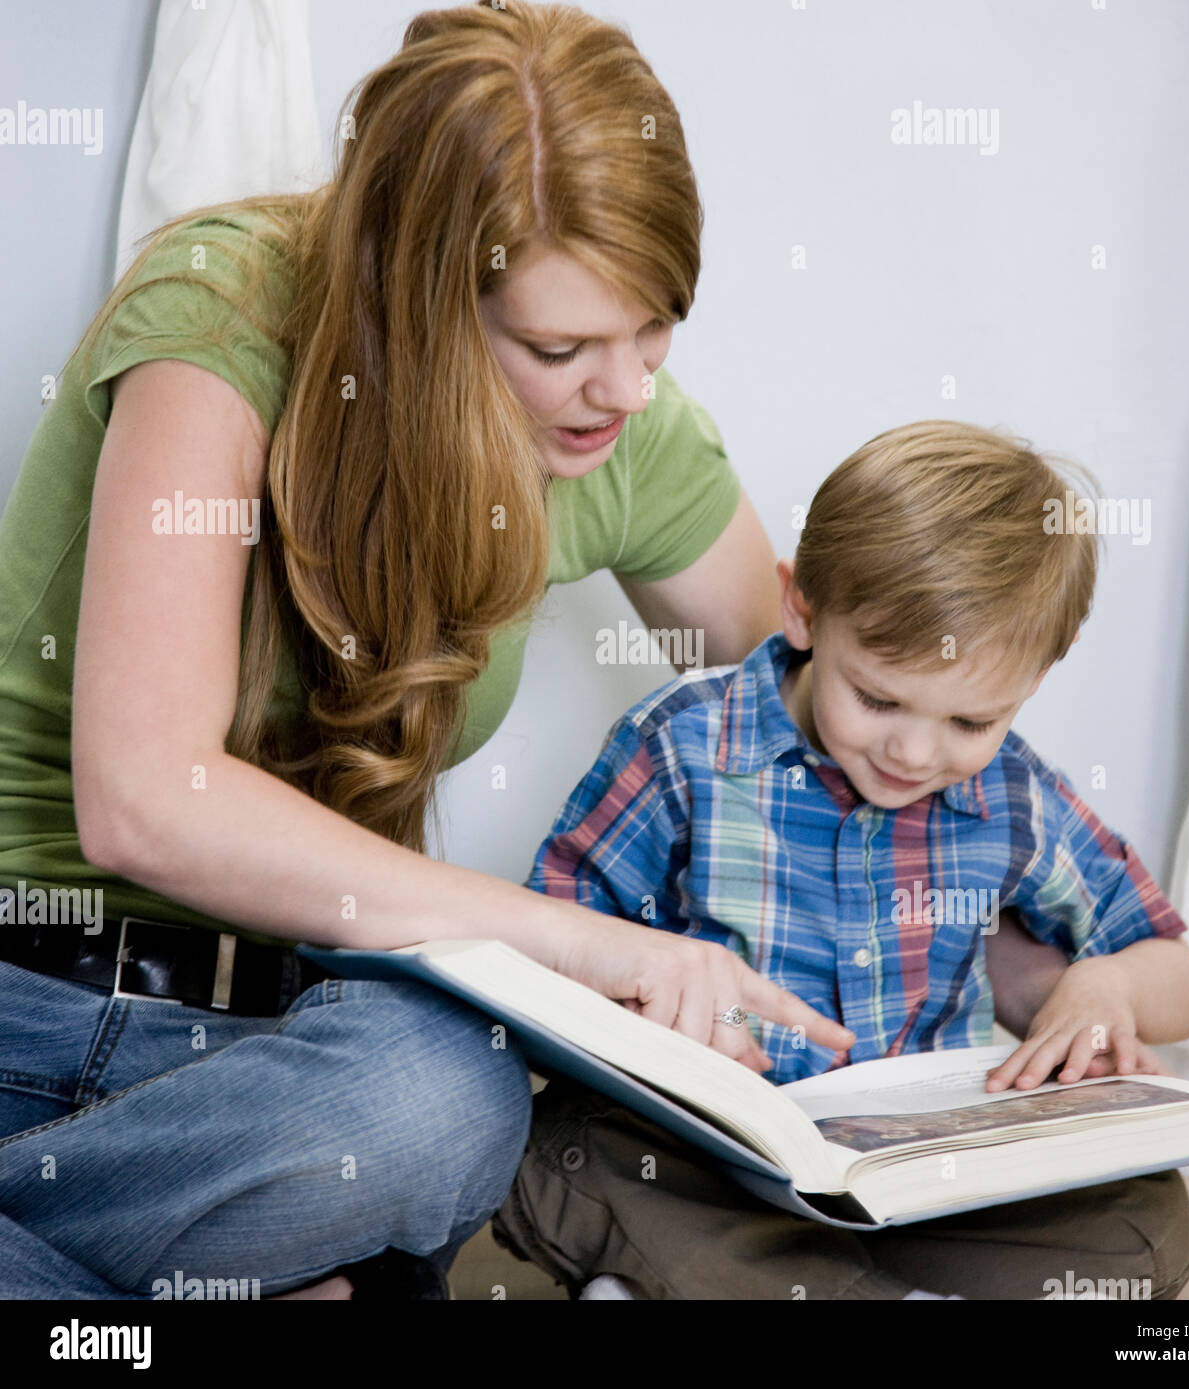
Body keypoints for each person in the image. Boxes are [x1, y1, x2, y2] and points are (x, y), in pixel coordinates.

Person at [0, 1, 866, 1300]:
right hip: (45, 986)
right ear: (418, 301)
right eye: (560, 347)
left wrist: (1053, 940)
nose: (625, 390)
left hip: (306, 1046)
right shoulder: (222, 318)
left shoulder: (621, 427)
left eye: (657, 327)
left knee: (448, 1095)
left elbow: (820, 716)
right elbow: (144, 803)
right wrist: (580, 945)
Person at [492, 419, 1189, 1299]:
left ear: (1034, 682)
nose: (914, 752)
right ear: (802, 608)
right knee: (564, 1153)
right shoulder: (685, 749)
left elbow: (1181, 973)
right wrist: (654, 1013)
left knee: (1147, 1223)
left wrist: (1109, 989)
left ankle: (742, 1284)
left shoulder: (1015, 798)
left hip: (918, 1181)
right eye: (878, 697)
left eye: (970, 721)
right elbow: (537, 958)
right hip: (708, 1157)